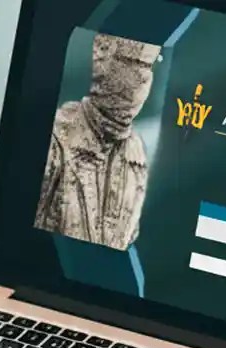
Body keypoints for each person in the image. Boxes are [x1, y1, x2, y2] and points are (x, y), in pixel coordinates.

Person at [35, 34, 161, 251]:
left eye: (147, 67)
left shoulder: (137, 152)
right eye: (130, 65)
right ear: (104, 64)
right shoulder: (56, 137)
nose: (141, 79)